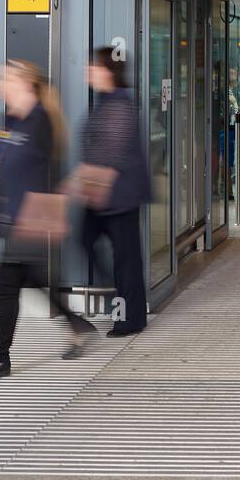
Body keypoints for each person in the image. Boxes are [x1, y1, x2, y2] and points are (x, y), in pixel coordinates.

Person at [0, 59, 96, 383]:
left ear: (24, 83)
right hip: (13, 218)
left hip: (33, 220)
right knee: (33, 279)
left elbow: (50, 176)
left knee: (6, 285)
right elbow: (0, 170)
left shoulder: (41, 123)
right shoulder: (7, 120)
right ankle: (75, 325)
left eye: (4, 79)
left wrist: (51, 216)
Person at [74, 47, 152, 337]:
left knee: (127, 259)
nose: (86, 71)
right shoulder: (106, 102)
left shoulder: (120, 105)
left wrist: (80, 185)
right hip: (101, 197)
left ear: (107, 72)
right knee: (89, 243)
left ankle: (131, 318)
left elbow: (113, 156)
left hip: (119, 197)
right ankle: (120, 300)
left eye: (91, 66)